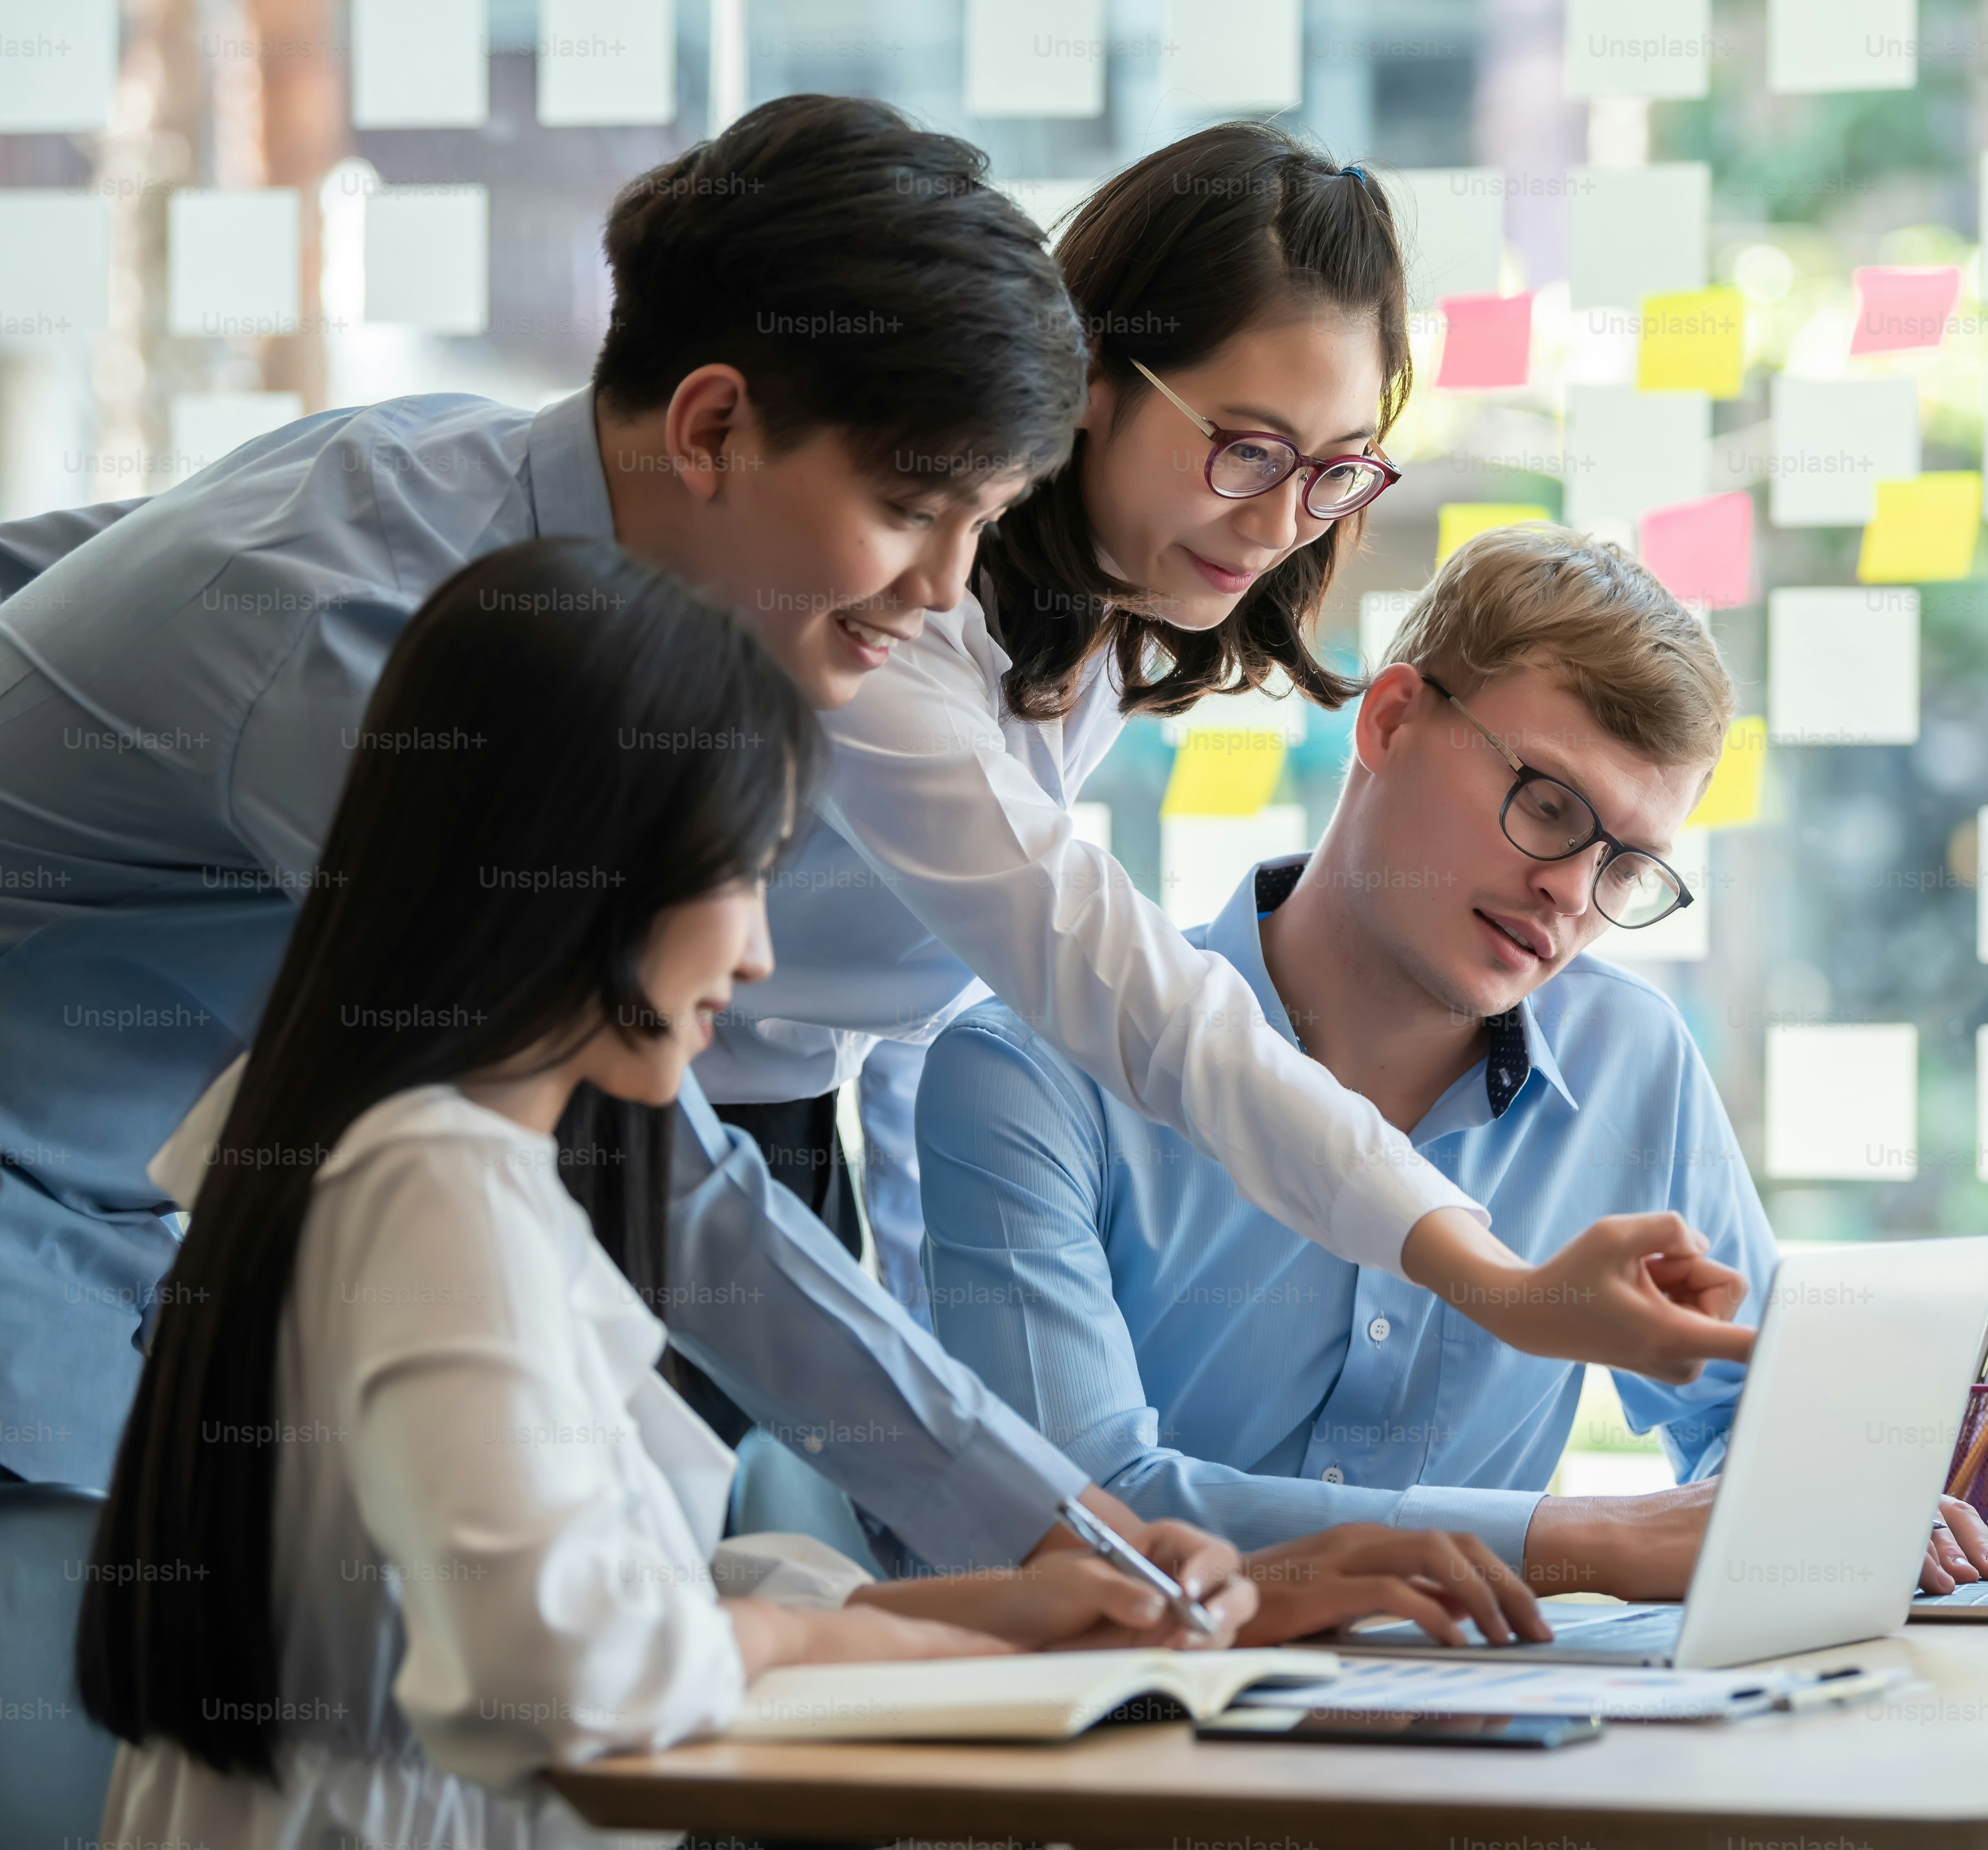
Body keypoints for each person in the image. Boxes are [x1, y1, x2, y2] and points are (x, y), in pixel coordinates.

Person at [0, 97, 1737, 1544]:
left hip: (130, 1209)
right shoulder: (380, 623)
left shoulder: (545, 542)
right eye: (919, 517)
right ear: (709, 430)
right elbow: (669, 1169)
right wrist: (1086, 1518)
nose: (943, 597)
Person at [76, 542, 1258, 1850]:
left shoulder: (418, 1158)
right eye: (743, 872)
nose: (756, 956)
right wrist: (814, 1632)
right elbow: (572, 1672)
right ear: (591, 861)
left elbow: (636, 1607)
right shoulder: (433, 1182)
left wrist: (1008, 1612)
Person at [708, 117, 1752, 1381]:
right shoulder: (894, 622)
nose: (1276, 522)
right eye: (1246, 448)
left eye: (1334, 471)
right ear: (1089, 375)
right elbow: (1105, 977)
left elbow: (925, 994)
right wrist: (1494, 1282)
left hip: (782, 1131)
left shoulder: (1096, 626)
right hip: (653, 1107)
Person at [918, 527, 1988, 1599]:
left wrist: (1829, 1502)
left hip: (1511, 1752)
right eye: (1547, 805)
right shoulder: (1029, 1073)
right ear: (1390, 722)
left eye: (1626, 867)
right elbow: (1075, 1514)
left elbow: (1754, 1421)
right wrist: (1585, 1542)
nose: (1572, 894)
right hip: (1135, 1749)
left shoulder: (1629, 1060)